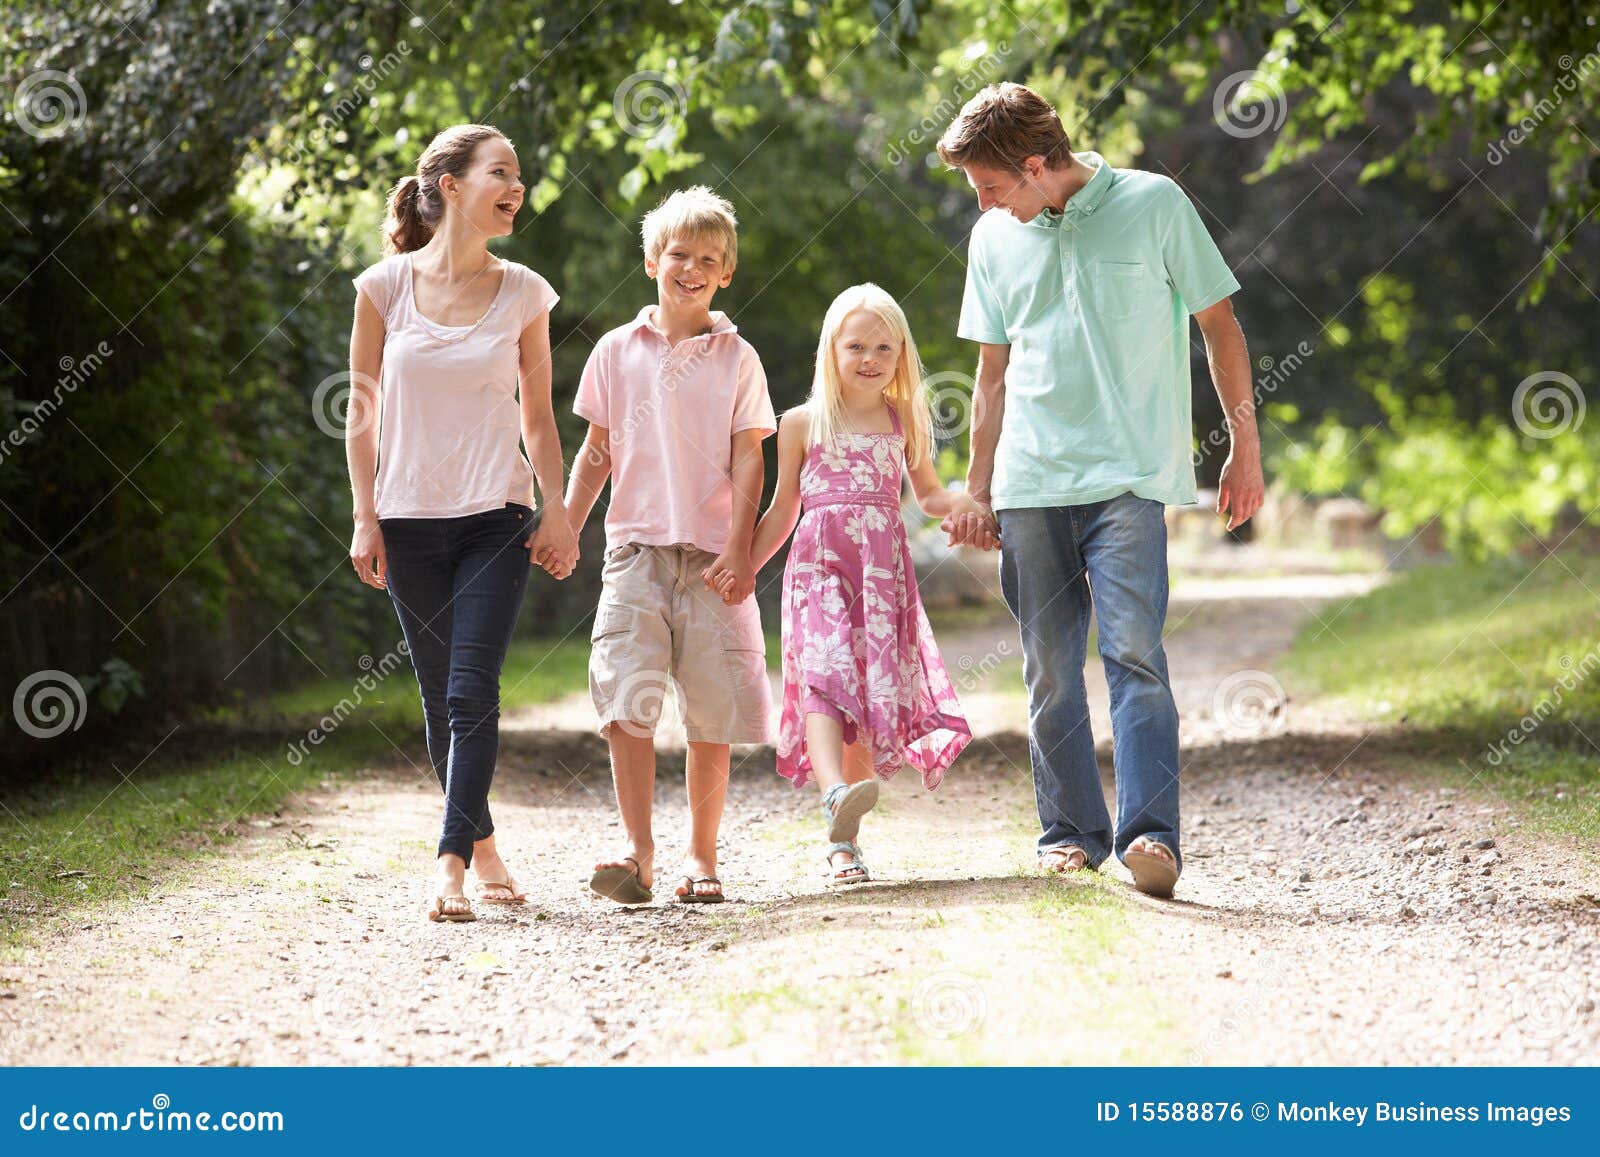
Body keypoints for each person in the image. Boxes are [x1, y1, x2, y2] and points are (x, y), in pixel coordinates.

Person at [937, 83, 1264, 898]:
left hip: (1128, 476)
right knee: (1048, 667)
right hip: (1029, 482)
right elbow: (991, 373)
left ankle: (1151, 837)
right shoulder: (992, 238)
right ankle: (1069, 832)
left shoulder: (1155, 204)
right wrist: (976, 488)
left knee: (1134, 655)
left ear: (1037, 165)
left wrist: (1244, 447)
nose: (982, 204)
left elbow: (1220, 327)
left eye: (990, 186)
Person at [346, 123, 578, 923]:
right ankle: (484, 846)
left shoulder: (524, 291)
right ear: (450, 185)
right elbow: (361, 412)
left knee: (472, 691)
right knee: (438, 693)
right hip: (407, 518)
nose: (517, 186)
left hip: (495, 516)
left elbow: (540, 420)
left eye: (520, 173)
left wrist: (559, 511)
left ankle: (448, 864)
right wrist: (364, 516)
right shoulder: (381, 287)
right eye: (501, 172)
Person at [565, 186, 775, 906]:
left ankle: (701, 855)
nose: (691, 266)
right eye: (679, 253)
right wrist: (566, 520)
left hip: (714, 558)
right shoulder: (616, 351)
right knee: (626, 696)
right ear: (653, 258)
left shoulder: (737, 357)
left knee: (711, 712)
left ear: (725, 274)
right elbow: (597, 451)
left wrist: (741, 549)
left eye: (708, 258)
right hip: (633, 552)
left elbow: (752, 457)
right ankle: (637, 851)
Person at [745, 284, 978, 885]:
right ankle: (832, 795)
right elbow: (781, 510)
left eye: (883, 347)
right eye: (856, 346)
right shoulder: (800, 422)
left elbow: (927, 495)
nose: (870, 357)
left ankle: (844, 842)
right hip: (818, 566)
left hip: (880, 575)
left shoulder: (903, 420)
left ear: (901, 355)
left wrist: (973, 505)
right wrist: (743, 568)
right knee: (824, 677)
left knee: (866, 695)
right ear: (831, 350)